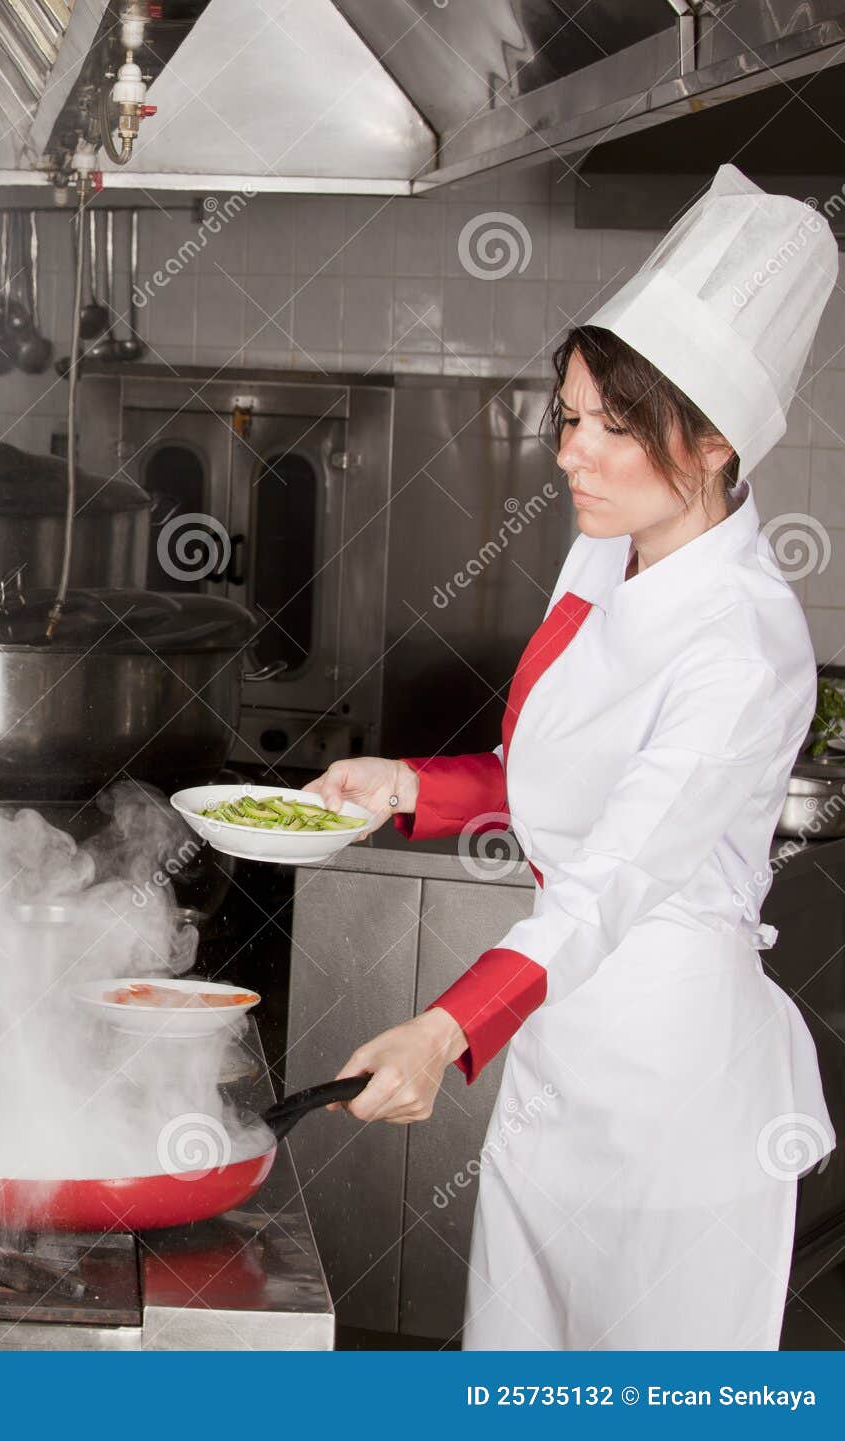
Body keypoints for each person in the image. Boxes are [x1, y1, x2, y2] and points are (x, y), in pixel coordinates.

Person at [309, 165, 838, 1350]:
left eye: (613, 427)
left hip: (672, 1089)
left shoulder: (744, 641)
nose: (570, 455)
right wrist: (406, 787)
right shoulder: (610, 555)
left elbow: (613, 875)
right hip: (563, 1058)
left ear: (710, 443)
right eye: (568, 416)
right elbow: (554, 772)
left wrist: (443, 1029)